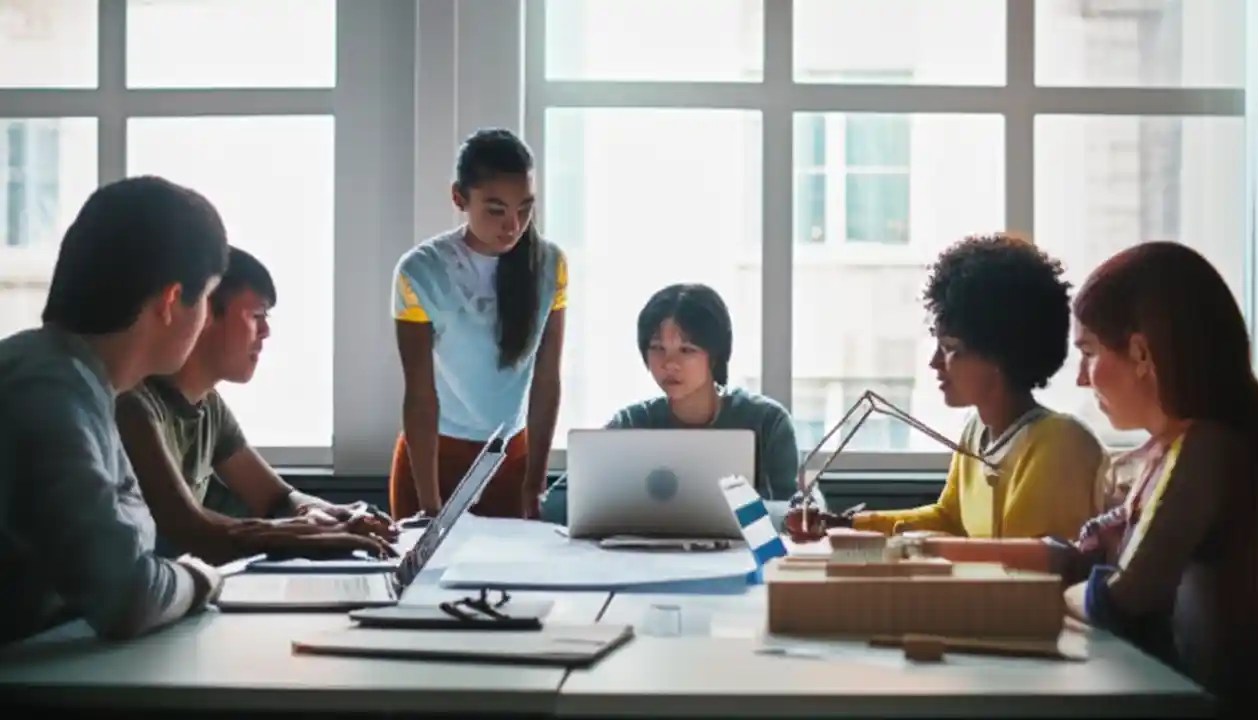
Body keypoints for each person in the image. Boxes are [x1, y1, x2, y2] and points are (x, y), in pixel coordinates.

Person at [0, 176, 228, 643]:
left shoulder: (79, 382)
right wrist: (202, 578)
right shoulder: (49, 393)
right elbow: (129, 595)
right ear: (170, 301)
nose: (205, 316)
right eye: (205, 297)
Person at [1061, 242, 1258, 713]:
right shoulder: (1188, 447)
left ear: (1142, 353)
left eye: (1089, 351)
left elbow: (1125, 599)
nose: (1081, 378)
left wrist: (1050, 600)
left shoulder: (1207, 449)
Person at [788, 234, 1107, 541]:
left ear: (999, 353)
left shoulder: (1059, 443)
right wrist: (844, 524)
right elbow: (950, 518)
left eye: (951, 348)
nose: (935, 363)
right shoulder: (977, 430)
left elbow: (1018, 563)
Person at [116, 247, 397, 565]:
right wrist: (309, 534)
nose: (266, 332)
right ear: (205, 312)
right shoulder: (133, 405)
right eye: (257, 316)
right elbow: (191, 528)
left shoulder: (209, 405)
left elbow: (276, 497)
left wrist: (331, 513)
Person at [389, 128, 567, 520]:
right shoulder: (421, 271)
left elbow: (547, 380)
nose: (513, 225)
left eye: (525, 208)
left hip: (512, 463)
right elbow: (419, 395)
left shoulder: (550, 266)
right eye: (496, 209)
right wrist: (430, 504)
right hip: (435, 460)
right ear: (459, 198)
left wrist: (534, 480)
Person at [541, 283, 805, 523]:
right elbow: (556, 506)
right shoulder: (632, 424)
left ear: (714, 356)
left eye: (687, 350)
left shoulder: (767, 422)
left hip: (742, 564)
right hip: (643, 562)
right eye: (657, 348)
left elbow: (791, 515)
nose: (669, 364)